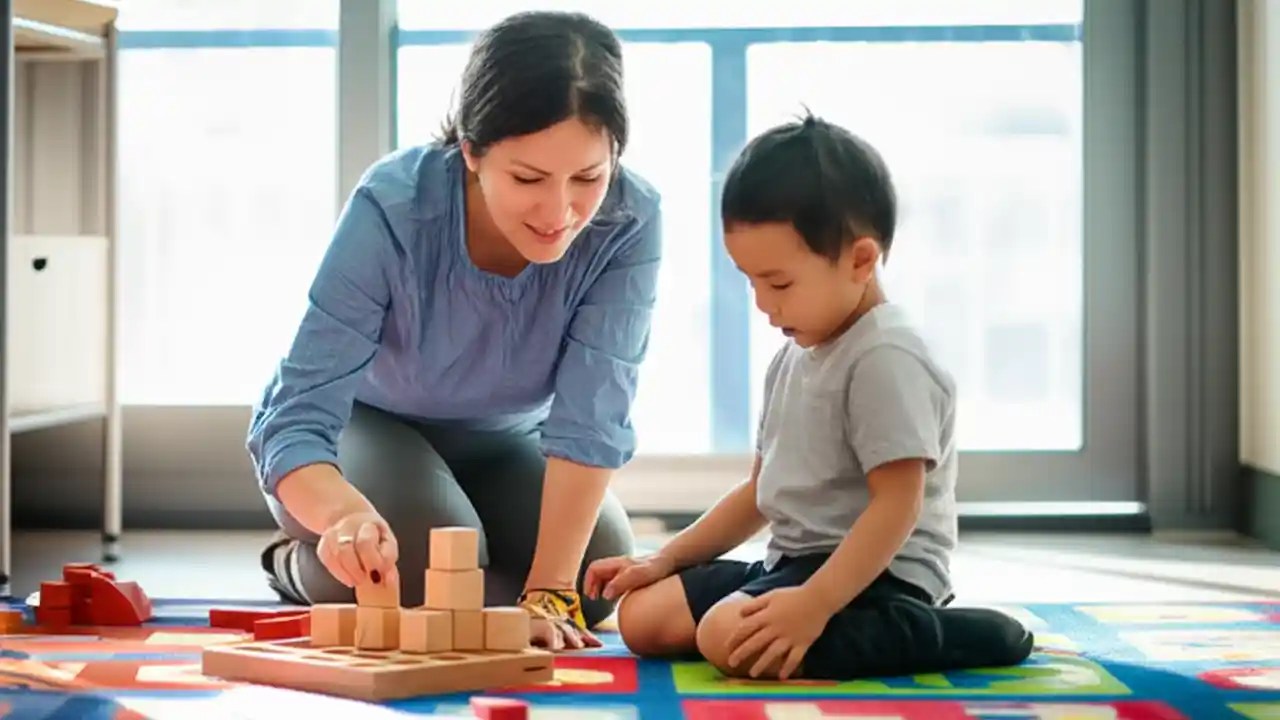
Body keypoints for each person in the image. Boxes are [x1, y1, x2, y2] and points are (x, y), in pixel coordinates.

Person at [246, 10, 662, 651]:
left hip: (501, 440)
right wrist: (345, 516)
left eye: (588, 178)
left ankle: (472, 577)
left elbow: (593, 413)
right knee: (411, 560)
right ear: (470, 151)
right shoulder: (394, 205)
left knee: (593, 577)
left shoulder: (631, 219)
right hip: (369, 425)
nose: (561, 213)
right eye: (528, 178)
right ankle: (295, 563)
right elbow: (297, 416)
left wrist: (547, 593)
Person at [584, 114, 1034, 680]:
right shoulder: (796, 353)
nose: (762, 304)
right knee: (643, 619)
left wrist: (814, 605)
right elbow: (758, 492)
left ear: (861, 261)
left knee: (726, 636)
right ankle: (787, 616)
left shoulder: (886, 356)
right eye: (750, 281)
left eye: (779, 283)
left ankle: (945, 635)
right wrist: (666, 557)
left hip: (879, 580)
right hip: (794, 564)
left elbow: (898, 506)